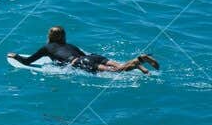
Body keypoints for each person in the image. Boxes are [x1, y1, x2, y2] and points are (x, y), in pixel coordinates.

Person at [9, 26, 160, 74]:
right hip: (93, 56)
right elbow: (83, 55)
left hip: (82, 61)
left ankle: (139, 59)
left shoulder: (47, 47)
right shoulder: (71, 45)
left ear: (49, 37)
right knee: (117, 65)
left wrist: (15, 56)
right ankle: (139, 65)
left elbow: (27, 61)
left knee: (117, 71)